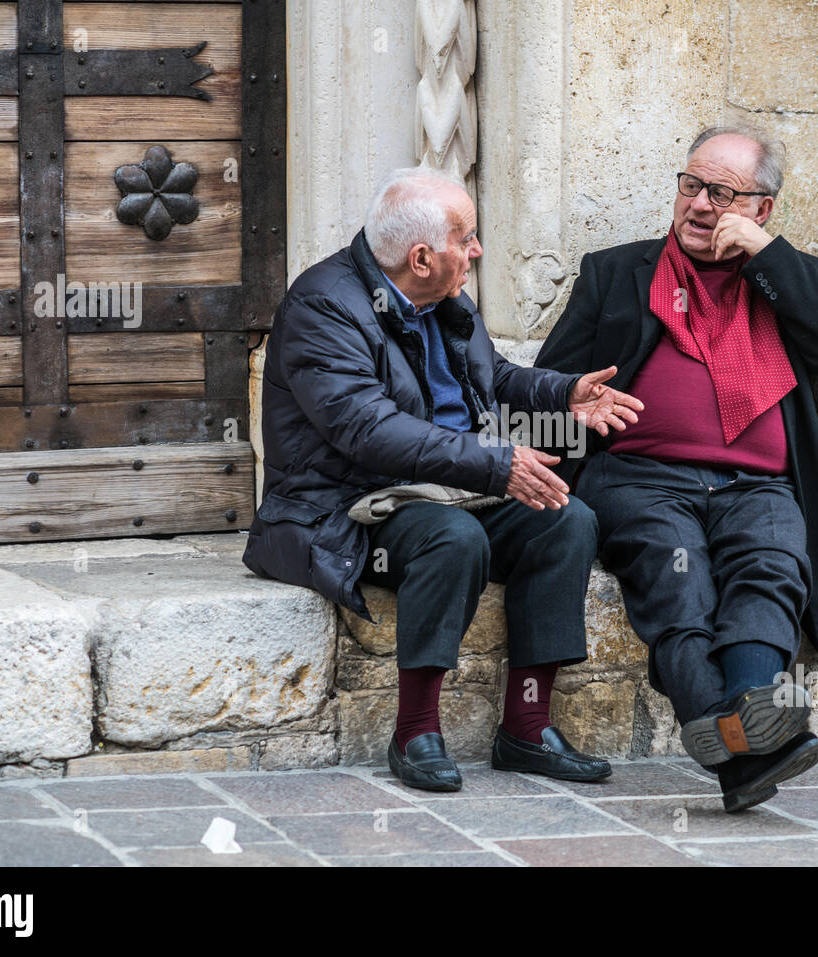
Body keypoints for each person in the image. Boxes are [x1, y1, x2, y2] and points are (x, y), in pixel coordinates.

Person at [242, 166, 644, 792]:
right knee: (453, 539)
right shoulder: (323, 306)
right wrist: (496, 462)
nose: (477, 250)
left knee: (567, 520)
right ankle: (416, 730)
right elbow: (367, 431)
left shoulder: (444, 297)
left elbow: (496, 377)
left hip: (449, 484)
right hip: (347, 505)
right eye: (468, 237)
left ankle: (527, 725)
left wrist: (563, 395)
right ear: (422, 256)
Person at [535, 126, 818, 813]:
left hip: (760, 482)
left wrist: (769, 258)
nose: (700, 205)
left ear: (761, 209)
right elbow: (547, 385)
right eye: (691, 186)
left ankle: (738, 743)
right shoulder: (616, 272)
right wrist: (576, 407)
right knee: (674, 570)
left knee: (772, 563)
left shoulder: (789, 276)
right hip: (640, 477)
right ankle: (740, 728)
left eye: (722, 193)